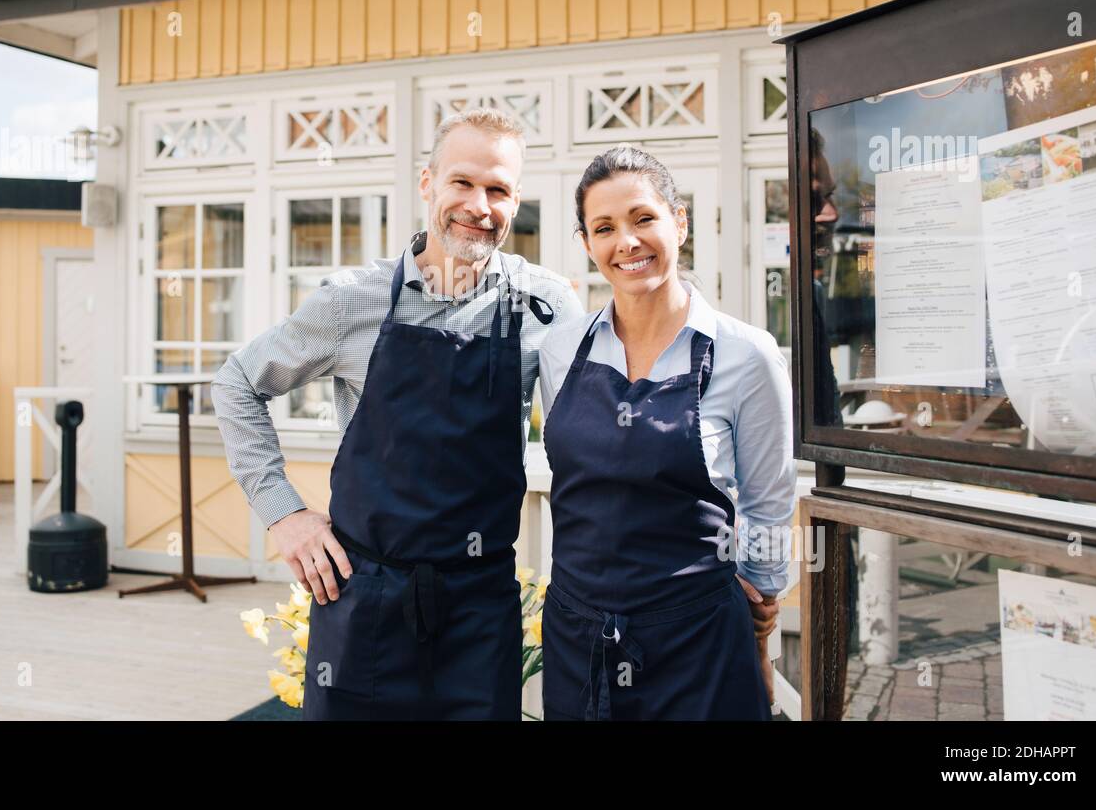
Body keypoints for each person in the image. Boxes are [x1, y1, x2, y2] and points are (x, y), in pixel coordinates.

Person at [212, 107, 582, 720]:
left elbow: (589, 431)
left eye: (498, 190)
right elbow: (237, 383)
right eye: (462, 182)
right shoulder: (351, 301)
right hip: (361, 602)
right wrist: (284, 516)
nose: (479, 205)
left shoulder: (548, 304)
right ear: (427, 183)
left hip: (481, 604)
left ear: (516, 201)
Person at [537, 145, 797, 720]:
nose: (626, 242)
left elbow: (770, 501)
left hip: (697, 638)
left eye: (643, 219)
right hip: (577, 634)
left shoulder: (745, 354)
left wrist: (763, 621)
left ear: (679, 222)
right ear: (587, 245)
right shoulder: (561, 350)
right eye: (604, 228)